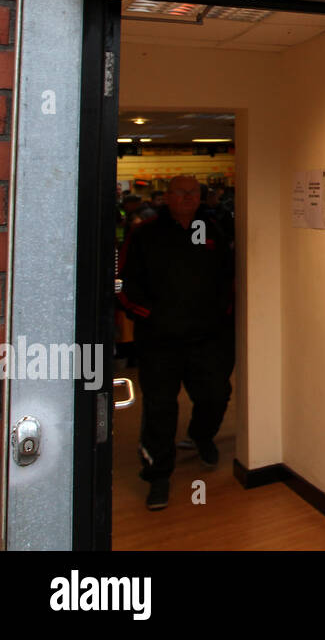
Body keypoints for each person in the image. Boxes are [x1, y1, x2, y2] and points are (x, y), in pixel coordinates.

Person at [120, 174, 235, 510]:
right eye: (182, 193)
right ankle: (158, 476)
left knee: (216, 395)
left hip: (206, 339)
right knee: (159, 409)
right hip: (159, 342)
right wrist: (148, 315)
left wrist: (221, 316)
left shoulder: (212, 231)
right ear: (167, 197)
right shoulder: (145, 234)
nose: (189, 198)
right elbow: (123, 285)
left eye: (194, 193)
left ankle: (202, 437)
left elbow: (229, 278)